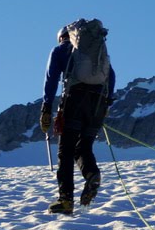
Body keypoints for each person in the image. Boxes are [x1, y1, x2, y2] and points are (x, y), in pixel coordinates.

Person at [40, 21, 115, 214]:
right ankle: (91, 174)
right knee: (83, 146)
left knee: (65, 150)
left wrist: (46, 108)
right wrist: (106, 104)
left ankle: (66, 200)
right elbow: (111, 75)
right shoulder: (98, 52)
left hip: (75, 100)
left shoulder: (61, 50)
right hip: (97, 105)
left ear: (63, 37)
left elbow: (51, 79)